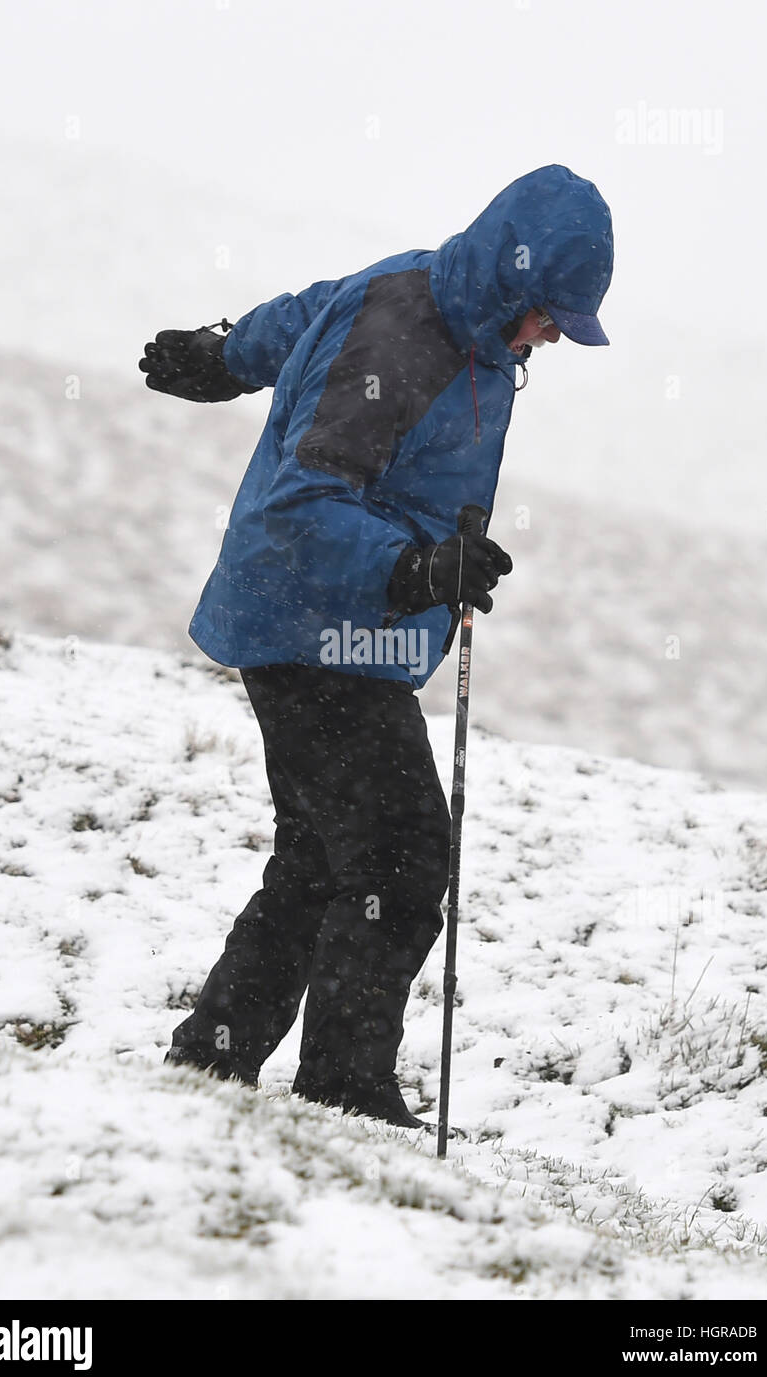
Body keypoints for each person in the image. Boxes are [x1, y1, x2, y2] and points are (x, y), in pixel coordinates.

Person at [139, 163, 613, 1127]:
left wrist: (226, 352)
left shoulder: (442, 303)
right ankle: (345, 1089)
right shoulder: (406, 342)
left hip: (329, 625)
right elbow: (304, 500)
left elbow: (305, 312)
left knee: (321, 854)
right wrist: (417, 572)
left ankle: (214, 1054)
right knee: (399, 856)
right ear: (512, 286)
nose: (554, 335)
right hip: (313, 620)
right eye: (552, 314)